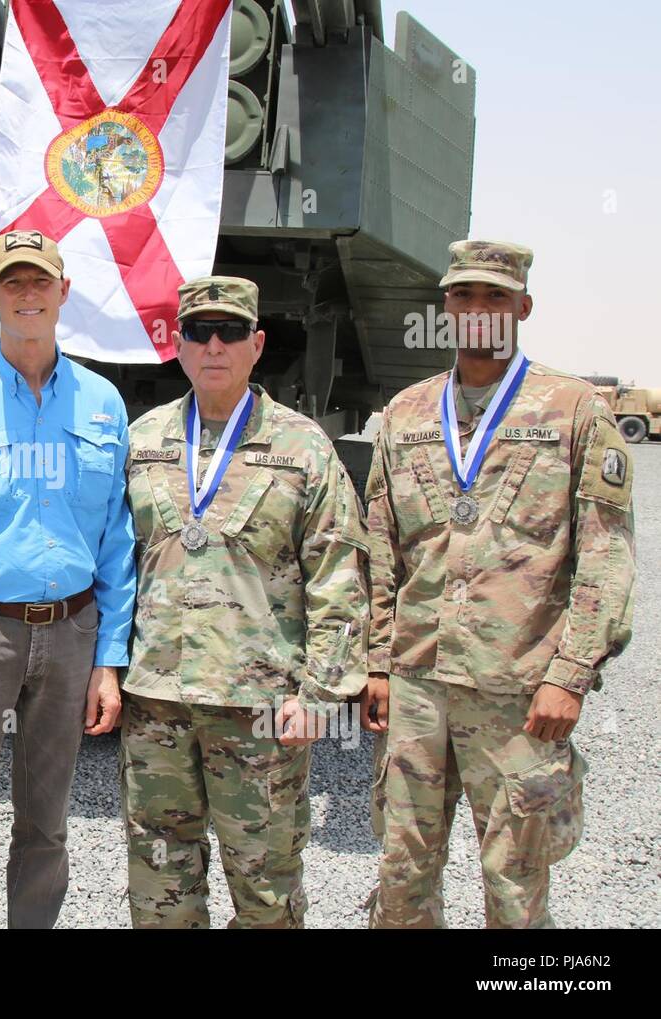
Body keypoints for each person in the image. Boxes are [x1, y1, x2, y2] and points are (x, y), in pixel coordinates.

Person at [360, 240, 636, 928]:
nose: (478, 310)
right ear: (446, 307)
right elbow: (380, 548)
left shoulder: (574, 410)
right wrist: (376, 661)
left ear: (523, 307)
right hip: (418, 683)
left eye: (494, 297)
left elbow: (604, 555)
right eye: (464, 296)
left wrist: (568, 675)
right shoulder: (405, 414)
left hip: (518, 687)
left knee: (514, 883)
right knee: (402, 875)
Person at [121, 275, 370, 928]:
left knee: (267, 887)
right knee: (159, 880)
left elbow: (339, 572)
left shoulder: (302, 446)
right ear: (178, 345)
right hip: (157, 698)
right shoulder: (141, 442)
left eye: (230, 331)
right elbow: (115, 563)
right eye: (199, 332)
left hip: (260, 706)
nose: (214, 345)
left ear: (256, 344)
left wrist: (320, 692)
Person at [0, 228, 137, 928]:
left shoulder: (103, 403)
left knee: (48, 821)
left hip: (72, 634)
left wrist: (110, 658)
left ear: (64, 292)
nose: (28, 293)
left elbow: (116, 539)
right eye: (13, 281)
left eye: (41, 281)